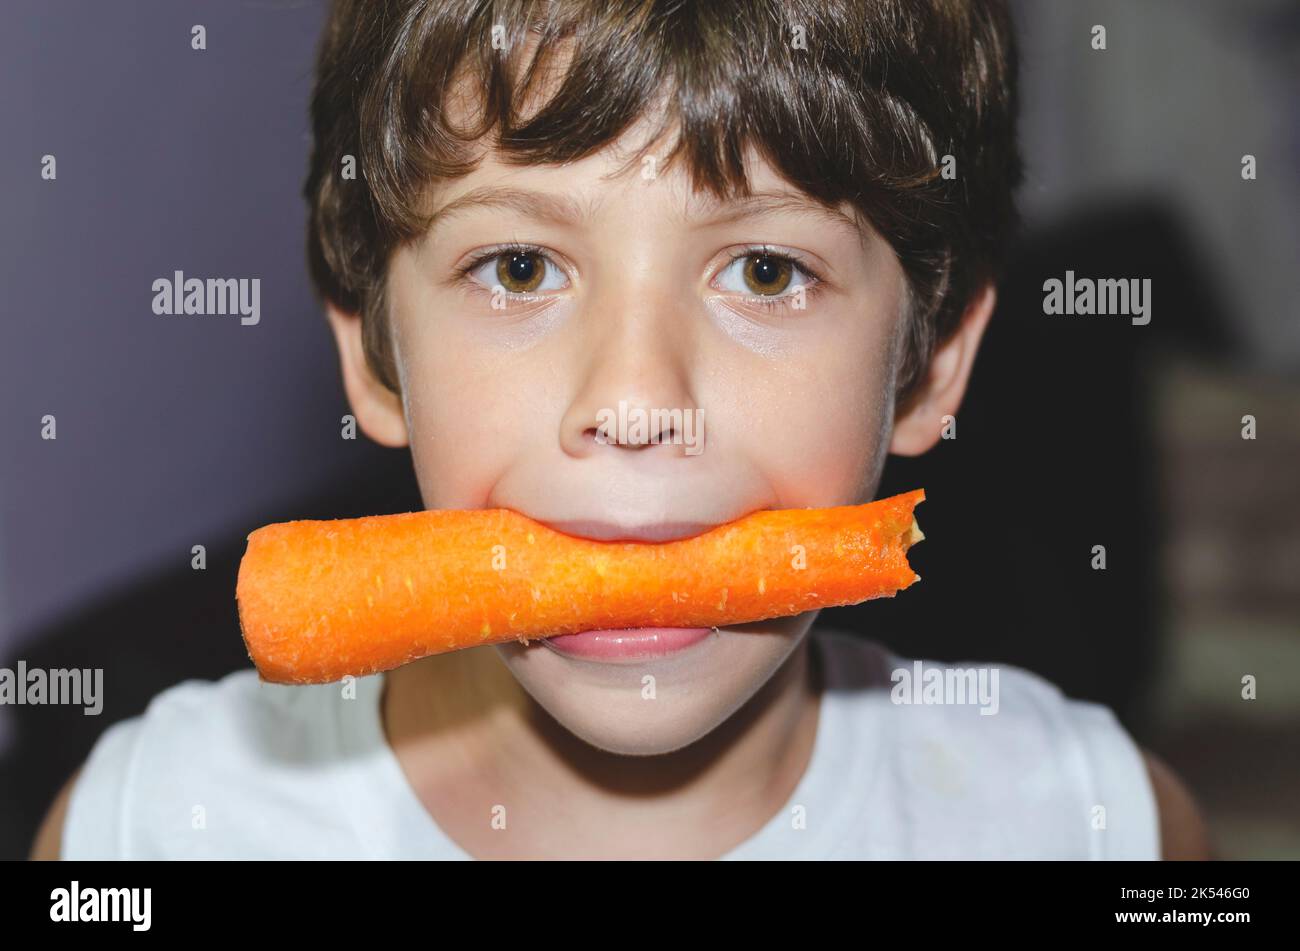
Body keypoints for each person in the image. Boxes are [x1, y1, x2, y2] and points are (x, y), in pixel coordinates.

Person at [33, 0, 1209, 860]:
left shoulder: (1092, 823)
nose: (636, 402)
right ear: (374, 354)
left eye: (763, 270)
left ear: (931, 362)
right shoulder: (146, 829)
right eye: (519, 264)